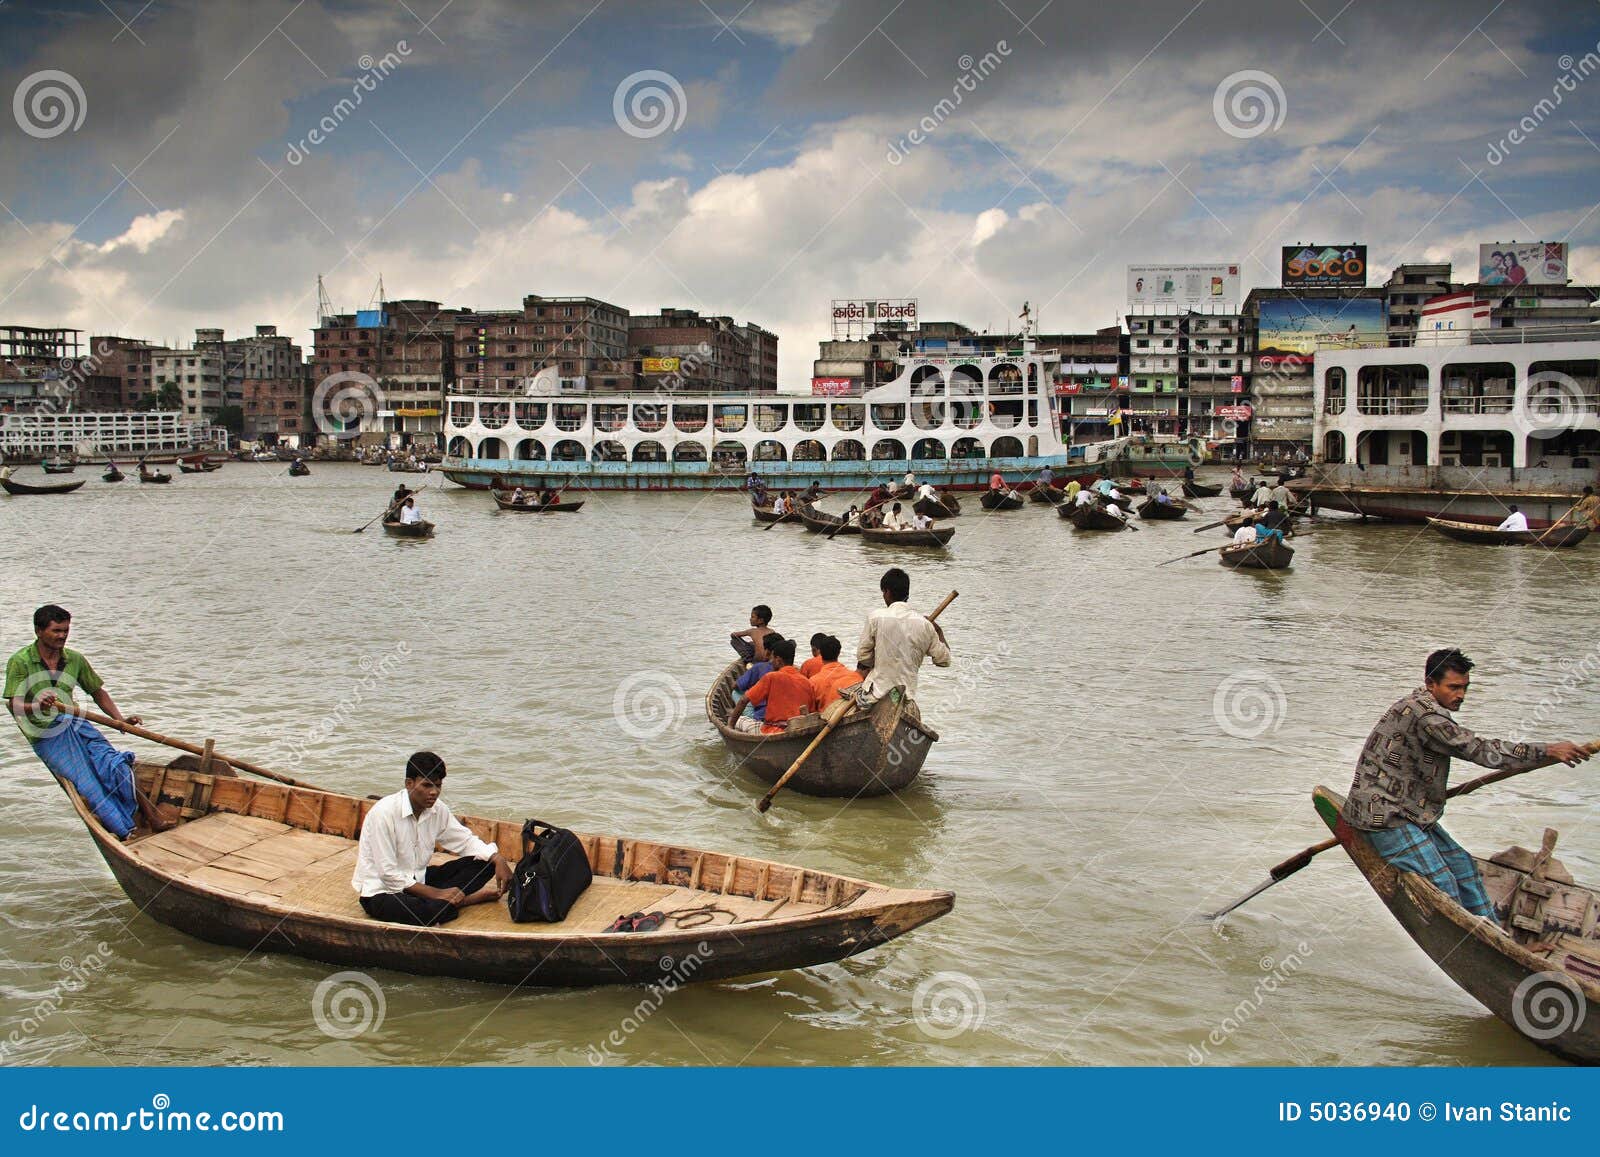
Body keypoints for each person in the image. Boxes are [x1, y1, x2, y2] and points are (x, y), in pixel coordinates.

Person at [1344, 650, 1590, 922]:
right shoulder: (1426, 717)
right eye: (1453, 687)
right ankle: (1476, 939)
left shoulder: (1423, 707)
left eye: (1464, 687)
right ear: (1430, 684)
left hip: (1409, 810)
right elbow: (1482, 751)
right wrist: (1548, 750)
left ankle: (1496, 934)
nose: (1460, 695)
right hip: (1385, 815)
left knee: (1464, 870)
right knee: (1443, 886)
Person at [6, 605, 171, 839]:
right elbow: (13, 704)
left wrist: (119, 720)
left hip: (74, 722)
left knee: (116, 764)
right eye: (56, 631)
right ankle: (125, 831)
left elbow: (97, 692)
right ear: (39, 631)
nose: (62, 635)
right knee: (88, 783)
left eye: (65, 630)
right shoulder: (20, 661)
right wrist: (37, 706)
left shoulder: (74, 659)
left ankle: (153, 818)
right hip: (45, 734)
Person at [352, 751, 512, 926]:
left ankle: (447, 902)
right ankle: (463, 901)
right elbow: (387, 873)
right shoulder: (383, 813)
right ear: (409, 783)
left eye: (438, 786)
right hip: (382, 892)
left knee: (485, 863)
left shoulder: (438, 809)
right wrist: (437, 893)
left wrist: (497, 859)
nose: (434, 792)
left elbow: (464, 841)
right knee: (429, 914)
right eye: (427, 785)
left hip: (418, 880)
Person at [855, 567, 950, 705]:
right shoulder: (925, 625)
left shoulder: (875, 617)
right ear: (907, 594)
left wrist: (879, 663)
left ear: (887, 592)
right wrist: (939, 632)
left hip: (876, 694)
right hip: (905, 698)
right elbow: (944, 660)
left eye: (883, 592)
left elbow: (863, 656)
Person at [729, 638, 813, 734]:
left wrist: (730, 726)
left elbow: (744, 700)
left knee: (736, 720)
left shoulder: (771, 677)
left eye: (772, 658)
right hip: (799, 729)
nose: (771, 661)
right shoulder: (806, 681)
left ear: (778, 660)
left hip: (772, 731)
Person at [808, 635, 863, 711]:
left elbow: (811, 710)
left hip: (826, 719)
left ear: (820, 652)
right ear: (839, 652)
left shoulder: (813, 682)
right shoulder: (856, 677)